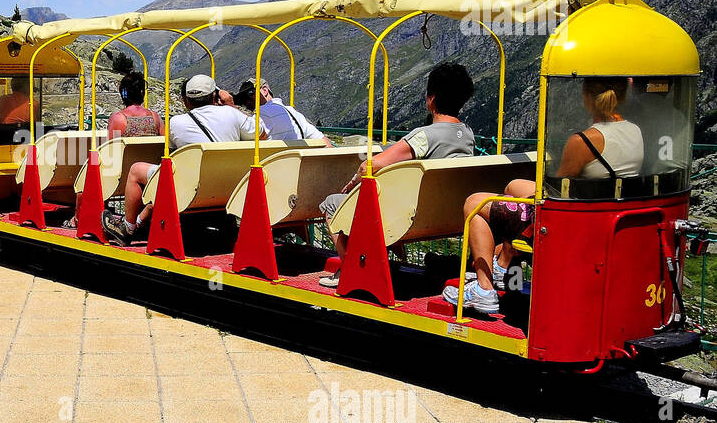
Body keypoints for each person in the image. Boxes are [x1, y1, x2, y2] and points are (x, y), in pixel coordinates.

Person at [444, 77, 643, 314]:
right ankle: (503, 262)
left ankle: (485, 288)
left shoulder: (584, 141)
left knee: (475, 203)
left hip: (569, 221)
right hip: (603, 210)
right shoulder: (636, 131)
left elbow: (554, 192)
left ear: (587, 97)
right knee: (513, 186)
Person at [318, 61, 476, 288]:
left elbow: (370, 166)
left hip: (410, 218)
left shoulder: (424, 136)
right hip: (450, 217)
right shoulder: (467, 134)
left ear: (431, 99)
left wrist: (352, 183)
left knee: (333, 203)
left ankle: (350, 271)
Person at [102, 74, 268, 245]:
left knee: (136, 169)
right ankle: (142, 216)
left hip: (190, 190)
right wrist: (231, 106)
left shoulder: (176, 123)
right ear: (214, 96)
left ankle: (128, 227)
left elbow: (112, 153)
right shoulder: (231, 114)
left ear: (186, 101)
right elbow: (263, 133)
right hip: (230, 188)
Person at [232, 79, 332, 146]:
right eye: (243, 99)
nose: (247, 101)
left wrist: (231, 108)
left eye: (250, 94)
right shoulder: (294, 113)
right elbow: (325, 142)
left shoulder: (262, 113)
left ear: (265, 90)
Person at [106, 72, 163, 139]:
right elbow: (166, 142)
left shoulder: (118, 119)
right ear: (142, 93)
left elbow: (111, 145)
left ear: (123, 94)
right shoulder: (155, 117)